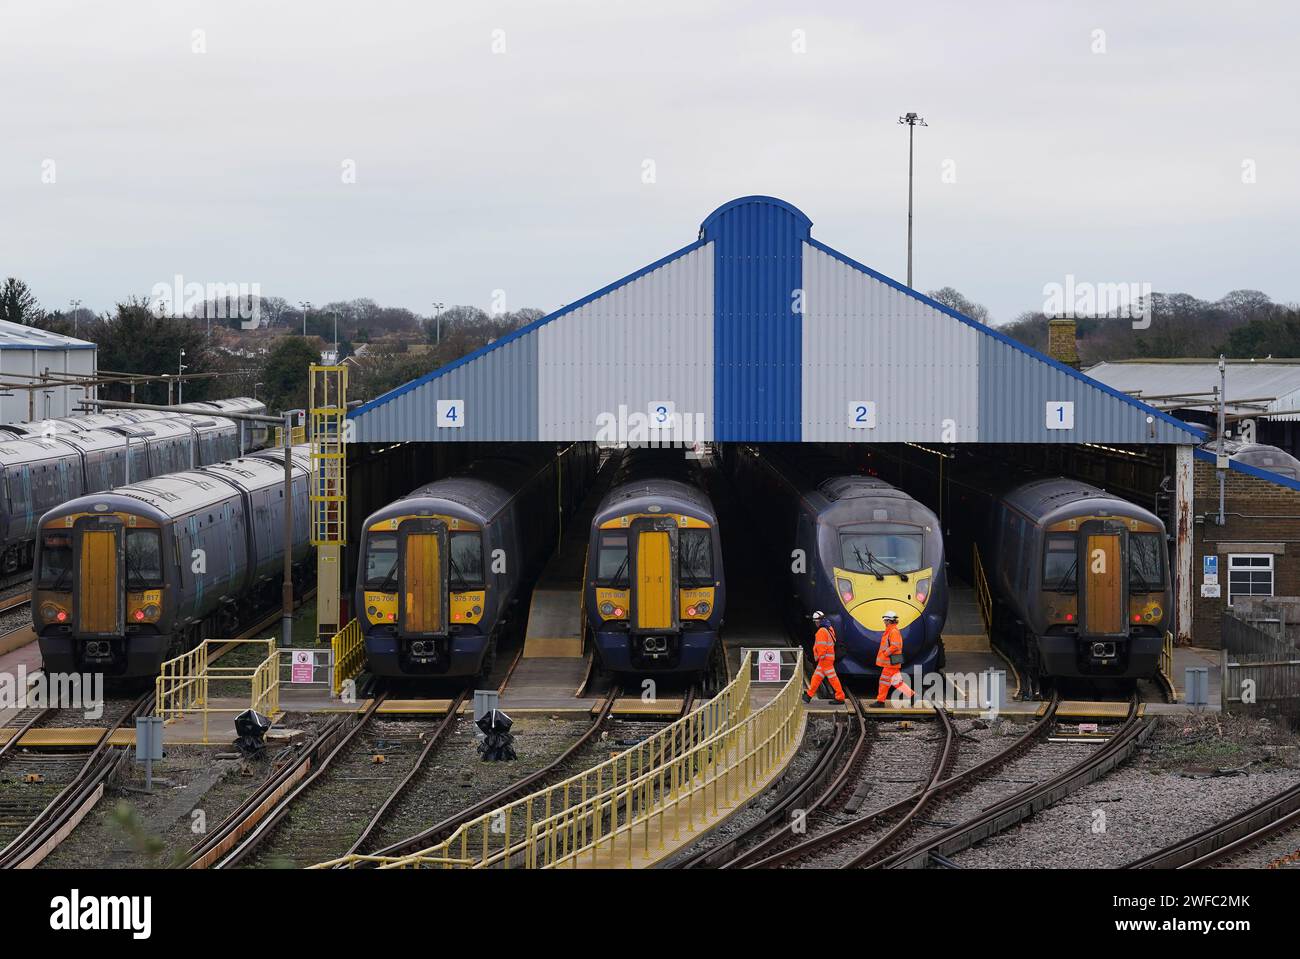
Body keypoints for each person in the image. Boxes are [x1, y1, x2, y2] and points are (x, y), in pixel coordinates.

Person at [871, 610, 915, 708]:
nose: (884, 622)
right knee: (896, 682)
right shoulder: (891, 630)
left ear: (889, 621)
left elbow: (895, 646)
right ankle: (911, 695)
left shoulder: (893, 631)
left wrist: (885, 653)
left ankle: (880, 701)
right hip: (892, 662)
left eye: (885, 620)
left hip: (891, 662)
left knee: (883, 681)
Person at [802, 610, 845, 704]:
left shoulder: (821, 631)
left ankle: (840, 697)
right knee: (816, 677)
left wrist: (818, 657)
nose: (815, 624)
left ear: (818, 621)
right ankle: (809, 695)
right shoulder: (829, 628)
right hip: (827, 659)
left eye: (815, 622)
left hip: (824, 659)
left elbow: (821, 647)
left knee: (832, 679)